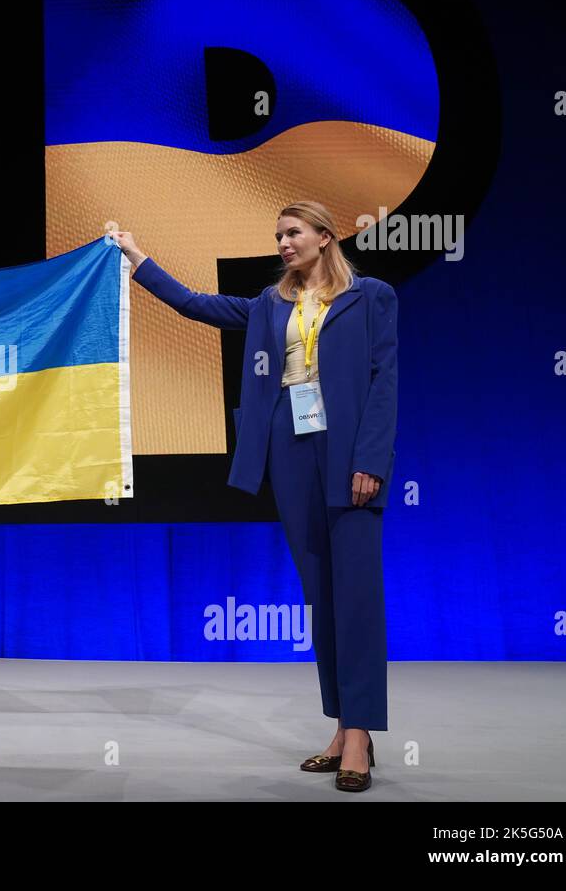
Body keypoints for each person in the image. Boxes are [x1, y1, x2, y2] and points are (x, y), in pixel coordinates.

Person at [113, 201, 397, 792]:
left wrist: (370, 460)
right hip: (291, 450)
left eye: (293, 233)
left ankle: (363, 738)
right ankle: (344, 728)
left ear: (325, 235)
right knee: (321, 593)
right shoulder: (271, 303)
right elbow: (198, 305)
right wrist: (138, 261)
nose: (283, 244)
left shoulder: (371, 296)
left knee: (358, 596)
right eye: (278, 236)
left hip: (348, 455)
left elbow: (383, 383)